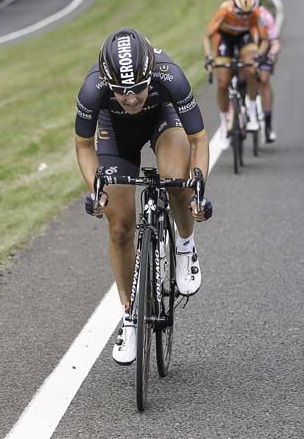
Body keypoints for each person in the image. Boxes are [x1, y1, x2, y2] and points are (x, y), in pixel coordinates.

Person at [75, 28, 213, 364]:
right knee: (120, 226)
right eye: (122, 91)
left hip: (162, 121)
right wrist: (96, 188)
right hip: (114, 135)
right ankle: (130, 314)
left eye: (138, 87)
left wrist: (197, 187)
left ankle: (185, 245)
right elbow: (83, 145)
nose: (132, 98)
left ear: (150, 72)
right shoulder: (93, 89)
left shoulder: (170, 76)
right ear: (108, 82)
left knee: (176, 180)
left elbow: (199, 139)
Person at [203, 0, 269, 148]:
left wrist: (259, 55)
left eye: (248, 14)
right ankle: (225, 126)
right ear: (235, 6)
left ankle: (252, 114)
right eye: (241, 13)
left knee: (251, 69)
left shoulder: (255, 13)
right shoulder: (225, 11)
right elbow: (207, 35)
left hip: (243, 38)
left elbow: (264, 40)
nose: (245, 16)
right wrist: (209, 57)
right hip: (224, 39)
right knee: (223, 83)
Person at [255, 3, 280, 143]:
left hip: (264, 49)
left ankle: (268, 124)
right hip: (245, 47)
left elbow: (275, 43)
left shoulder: (265, 17)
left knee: (264, 80)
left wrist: (271, 55)